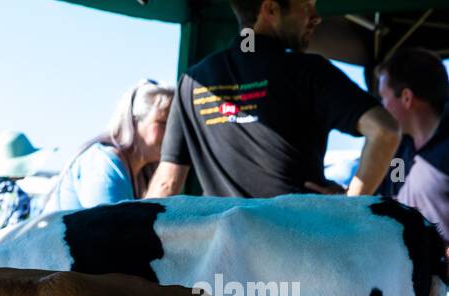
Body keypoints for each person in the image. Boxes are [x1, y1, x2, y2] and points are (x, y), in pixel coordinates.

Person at [148, 0, 399, 199]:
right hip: (296, 251)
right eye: (306, 6)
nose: (316, 17)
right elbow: (386, 130)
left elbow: (166, 183)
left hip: (224, 255)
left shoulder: (192, 81)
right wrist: (350, 208)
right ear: (270, 9)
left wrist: (136, 247)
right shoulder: (309, 72)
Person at [43, 80, 174, 213]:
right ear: (134, 121)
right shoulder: (104, 163)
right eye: (163, 123)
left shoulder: (138, 173)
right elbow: (109, 229)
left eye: (174, 126)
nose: (172, 133)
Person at [377, 47, 449, 250]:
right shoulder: (401, 150)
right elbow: (396, 192)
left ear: (407, 98)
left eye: (384, 97)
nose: (381, 106)